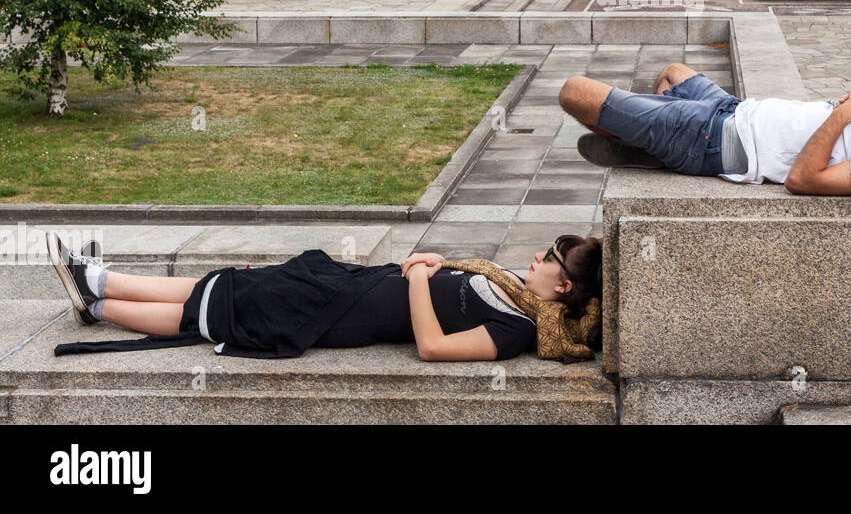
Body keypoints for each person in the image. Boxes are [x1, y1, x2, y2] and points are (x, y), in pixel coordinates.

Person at [45, 232, 602, 361]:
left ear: (565, 287)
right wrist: (434, 262)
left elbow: (431, 346)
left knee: (218, 315)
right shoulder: (514, 288)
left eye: (547, 261)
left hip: (340, 317)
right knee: (234, 284)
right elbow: (460, 276)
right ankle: (97, 286)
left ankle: (98, 296)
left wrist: (414, 279)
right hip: (349, 283)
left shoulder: (519, 330)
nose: (535, 260)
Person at [557, 65, 851, 198]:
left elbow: (803, 180)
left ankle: (649, 143)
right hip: (735, 111)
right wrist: (845, 108)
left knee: (574, 90)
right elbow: (839, 135)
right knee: (674, 72)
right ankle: (641, 144)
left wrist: (842, 115)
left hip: (715, 139)